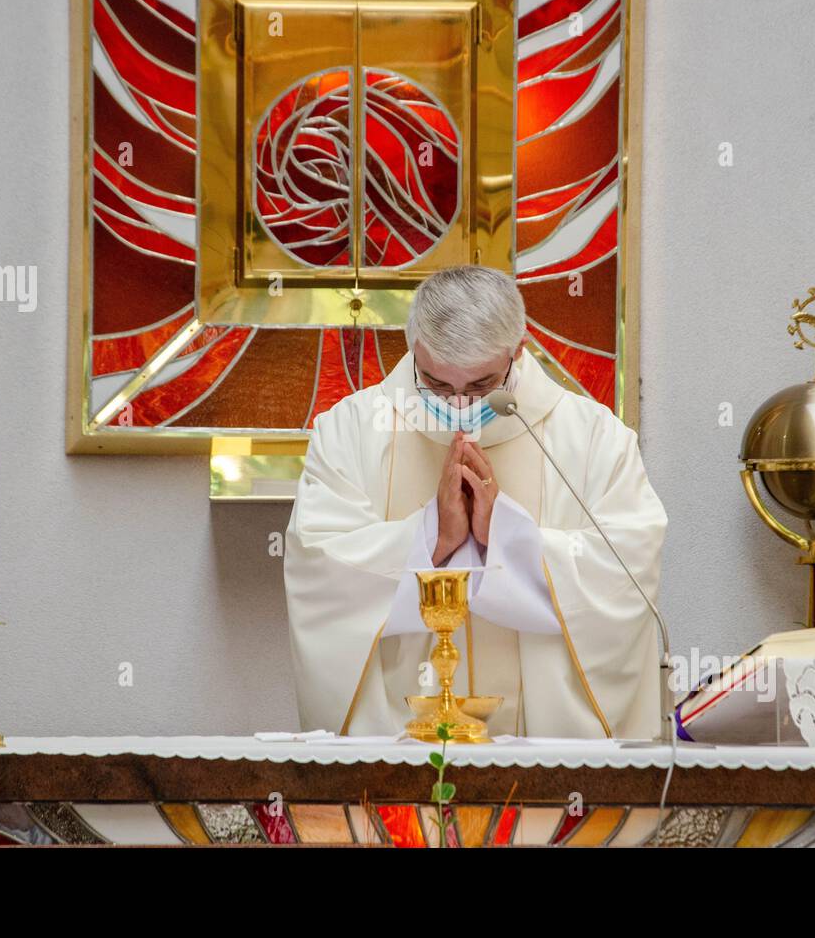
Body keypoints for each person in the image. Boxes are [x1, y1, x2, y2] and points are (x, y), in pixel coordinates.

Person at [284, 265, 667, 739]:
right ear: (413, 350)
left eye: (482, 386)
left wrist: (504, 537)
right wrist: (432, 536)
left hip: (545, 748)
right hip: (401, 743)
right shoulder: (351, 430)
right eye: (439, 386)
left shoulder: (593, 437)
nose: (460, 406)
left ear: (518, 352)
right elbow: (318, 568)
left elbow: (627, 572)